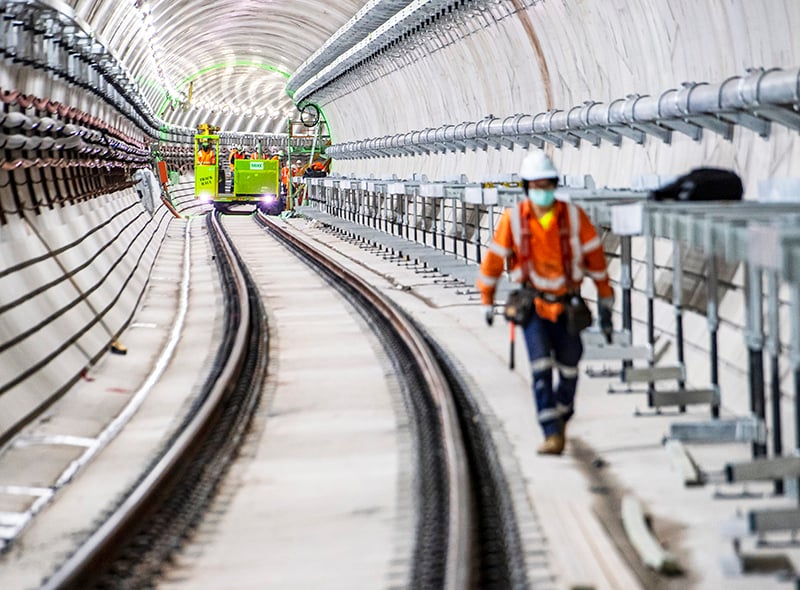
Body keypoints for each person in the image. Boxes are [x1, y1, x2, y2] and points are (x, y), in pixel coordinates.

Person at [476, 152, 614, 455]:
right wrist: (487, 298)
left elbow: (595, 260)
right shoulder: (513, 220)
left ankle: (562, 414)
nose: (543, 190)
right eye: (537, 185)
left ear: (555, 184)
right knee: (540, 368)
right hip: (533, 305)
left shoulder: (573, 217)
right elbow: (494, 262)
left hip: (567, 305)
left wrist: (605, 297)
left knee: (570, 365)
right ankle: (551, 433)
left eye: (548, 184)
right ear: (526, 187)